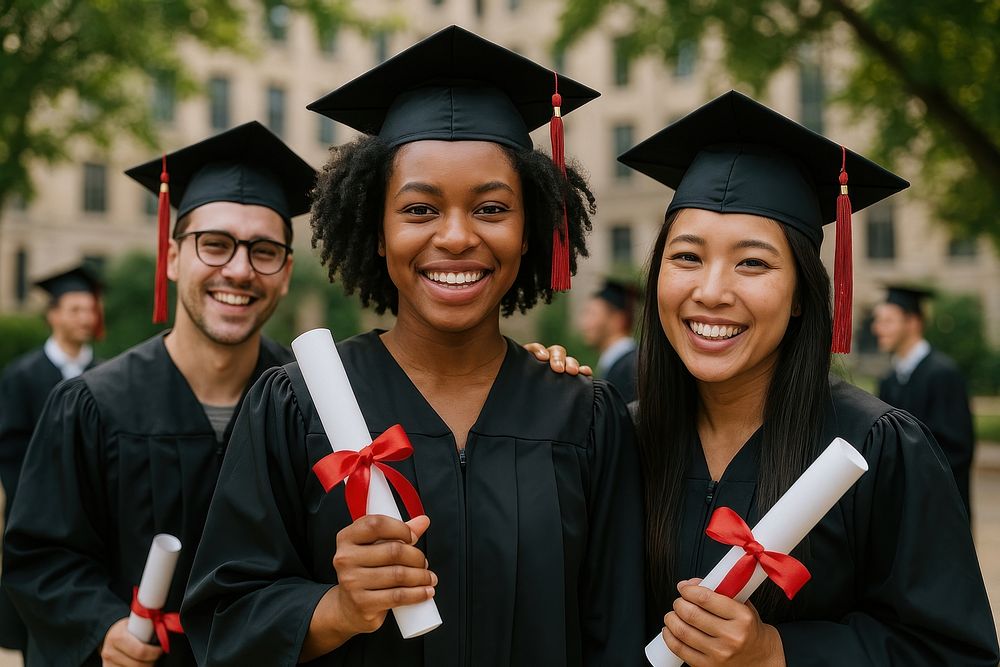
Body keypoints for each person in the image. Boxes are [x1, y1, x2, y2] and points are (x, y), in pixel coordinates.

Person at [182, 26, 645, 667]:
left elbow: (617, 638)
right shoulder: (294, 404)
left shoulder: (585, 417)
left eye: (491, 208)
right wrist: (335, 611)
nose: (455, 237)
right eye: (419, 210)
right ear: (377, 232)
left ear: (531, 230)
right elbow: (225, 620)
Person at [617, 91, 998, 665]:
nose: (711, 291)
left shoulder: (878, 448)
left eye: (753, 262)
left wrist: (778, 653)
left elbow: (955, 654)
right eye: (687, 257)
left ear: (801, 295)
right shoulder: (621, 439)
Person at [2, 121, 314, 666]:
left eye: (264, 251)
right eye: (214, 245)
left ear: (285, 272)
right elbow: (41, 558)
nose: (239, 270)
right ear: (171, 258)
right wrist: (102, 628)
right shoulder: (92, 406)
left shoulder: (311, 407)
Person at [0, 264, 103, 657]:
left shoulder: (107, 375)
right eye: (75, 309)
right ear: (53, 315)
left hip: (92, 516)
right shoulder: (22, 375)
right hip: (36, 512)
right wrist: (34, 501)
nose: (85, 318)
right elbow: (9, 449)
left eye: (90, 309)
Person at [872, 285, 976, 517]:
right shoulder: (889, 380)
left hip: (939, 509)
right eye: (877, 320)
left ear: (913, 323)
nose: (877, 328)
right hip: (902, 508)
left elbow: (957, 450)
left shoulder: (943, 375)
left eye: (887, 321)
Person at [579, 278, 639, 402]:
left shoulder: (632, 368)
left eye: (592, 314)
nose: (584, 324)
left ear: (618, 320)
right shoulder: (616, 364)